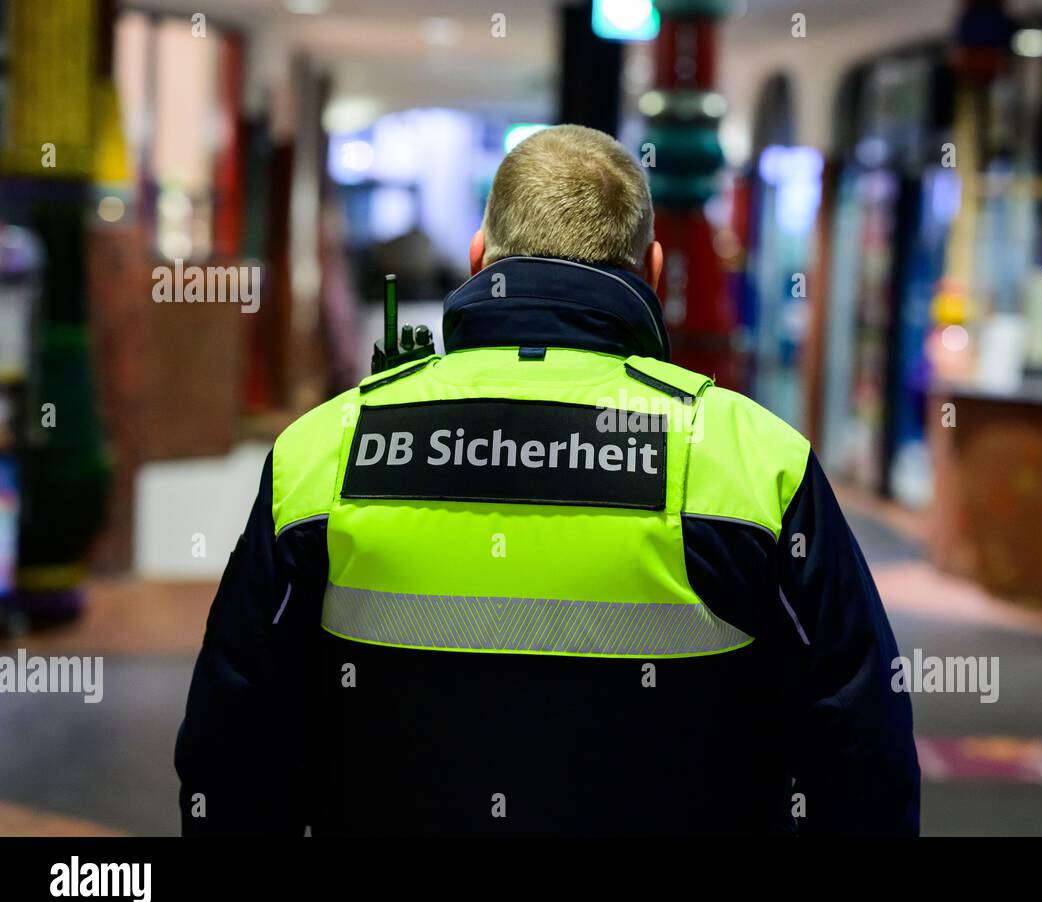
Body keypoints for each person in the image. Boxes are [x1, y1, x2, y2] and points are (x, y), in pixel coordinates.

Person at [175, 124, 919, 836]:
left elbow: (232, 741)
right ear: (653, 272)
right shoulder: (755, 462)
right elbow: (858, 747)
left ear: (478, 259)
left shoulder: (324, 452)